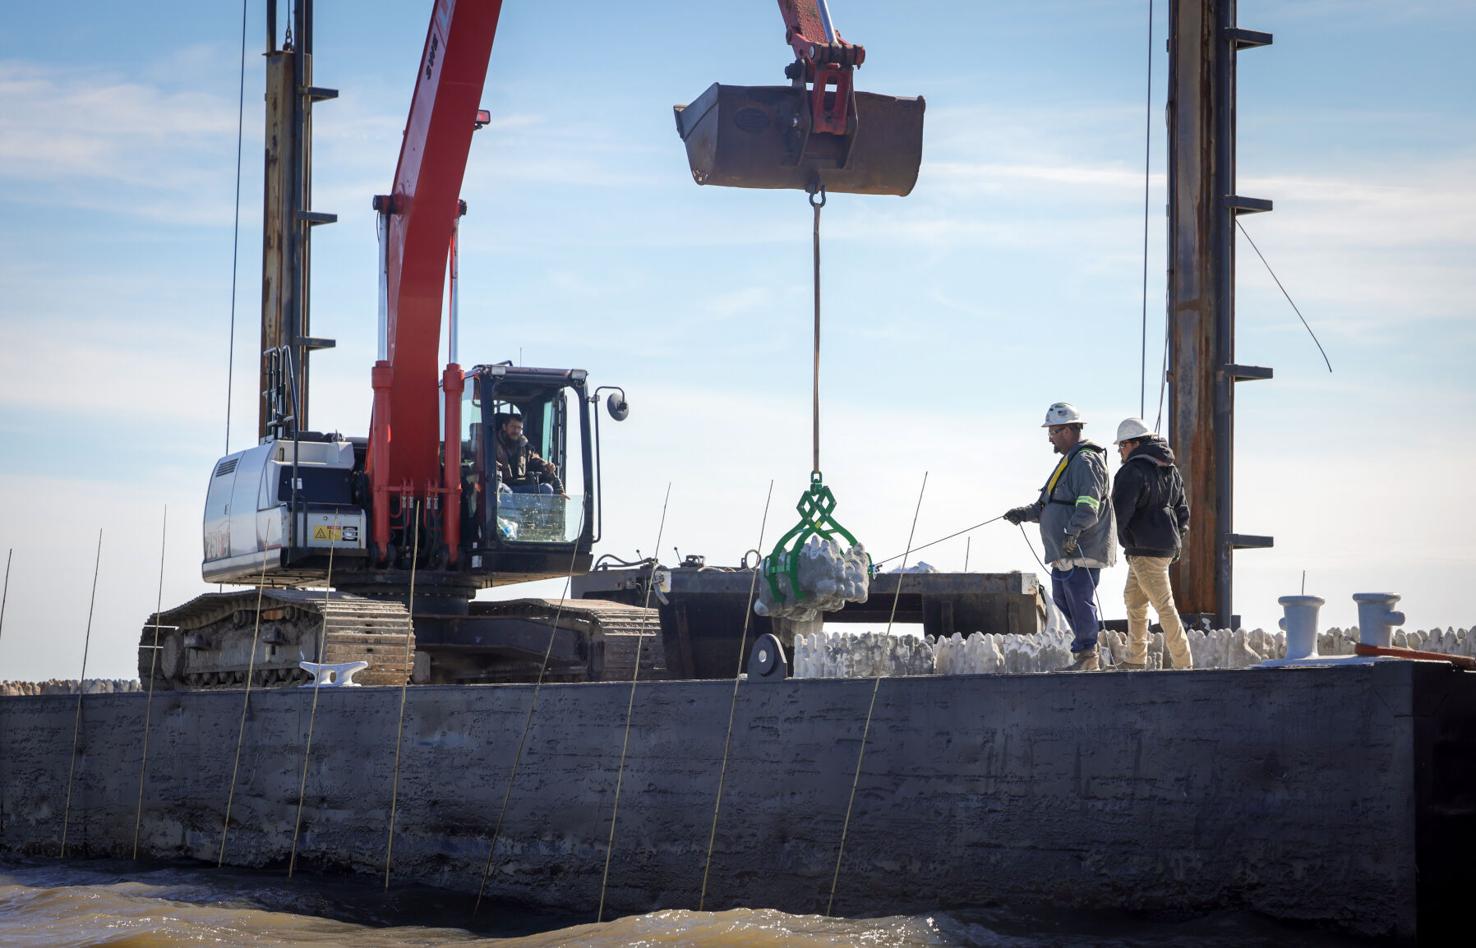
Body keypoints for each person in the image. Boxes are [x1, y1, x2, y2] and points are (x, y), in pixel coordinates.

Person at [1004, 402, 1117, 671]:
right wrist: (1023, 513)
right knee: (1065, 599)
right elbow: (1049, 504)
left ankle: (1089, 656)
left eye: (1053, 432)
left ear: (1067, 430)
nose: (1050, 438)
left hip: (1080, 549)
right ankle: (1084, 652)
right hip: (1064, 551)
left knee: (1079, 598)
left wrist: (1072, 532)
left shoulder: (1086, 462)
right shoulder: (1069, 462)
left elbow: (1088, 507)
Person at [1110, 417, 1193, 670]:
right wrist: (1177, 540)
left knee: (1164, 606)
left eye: (1121, 446)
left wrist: (1111, 542)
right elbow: (1182, 509)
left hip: (1145, 548)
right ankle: (1135, 658)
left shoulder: (1131, 472)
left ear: (1134, 443)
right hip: (1159, 547)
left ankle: (1184, 664)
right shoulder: (1169, 468)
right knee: (1134, 600)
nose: (1120, 452)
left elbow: (1119, 514)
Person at [494, 414, 562, 495]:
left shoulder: (526, 448)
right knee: (504, 490)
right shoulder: (492, 445)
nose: (516, 431)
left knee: (547, 489)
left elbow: (537, 461)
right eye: (513, 426)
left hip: (520, 487)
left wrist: (548, 467)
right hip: (501, 488)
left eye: (519, 428)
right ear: (504, 427)